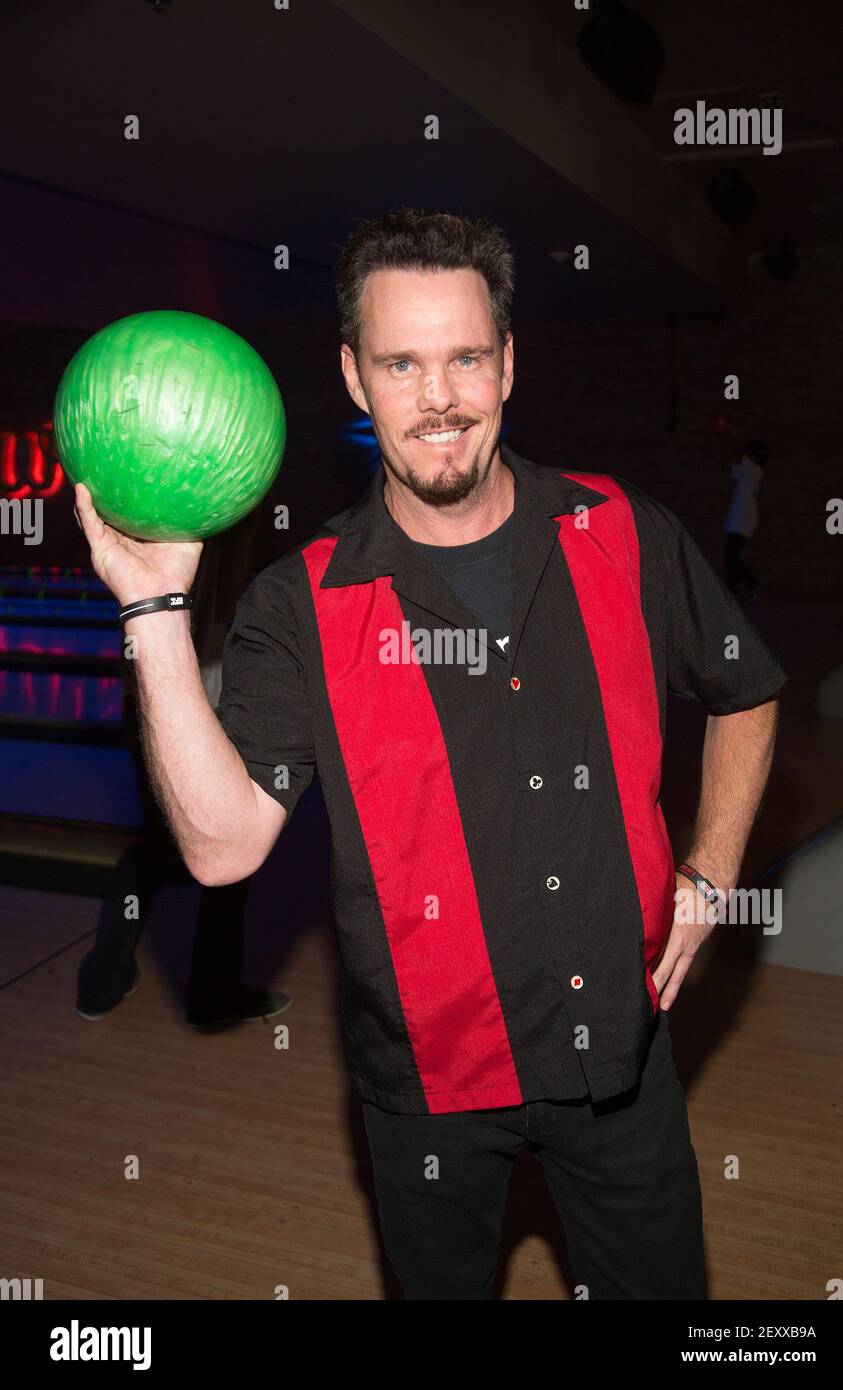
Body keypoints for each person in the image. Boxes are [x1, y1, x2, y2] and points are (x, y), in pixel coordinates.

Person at [73, 208, 787, 1299]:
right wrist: (156, 606)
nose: (439, 398)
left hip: (621, 1053)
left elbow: (745, 686)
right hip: (426, 1089)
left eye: (464, 358)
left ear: (508, 364)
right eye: (401, 364)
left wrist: (712, 871)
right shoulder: (299, 604)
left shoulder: (619, 530)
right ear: (355, 379)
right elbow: (220, 852)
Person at [76, 508, 290, 1027]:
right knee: (225, 848)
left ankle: (103, 979)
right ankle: (214, 994)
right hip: (209, 706)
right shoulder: (238, 505)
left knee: (155, 847)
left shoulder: (152, 503)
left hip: (147, 701)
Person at [723, 439, 767, 601]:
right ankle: (733, 591)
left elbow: (738, 454)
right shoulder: (748, 470)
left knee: (730, 555)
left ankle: (748, 585)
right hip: (740, 518)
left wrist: (732, 434)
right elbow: (731, 470)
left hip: (743, 518)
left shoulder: (754, 469)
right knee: (730, 555)